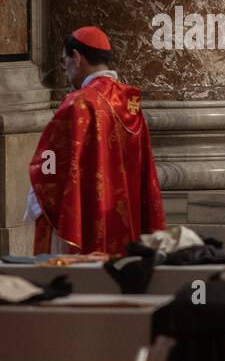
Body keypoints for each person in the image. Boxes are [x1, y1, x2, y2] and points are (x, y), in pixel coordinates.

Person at [26, 26, 166, 255]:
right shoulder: (130, 102)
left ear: (77, 58)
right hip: (125, 213)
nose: (66, 69)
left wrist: (43, 176)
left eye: (65, 61)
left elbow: (50, 156)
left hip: (88, 214)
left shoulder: (79, 103)